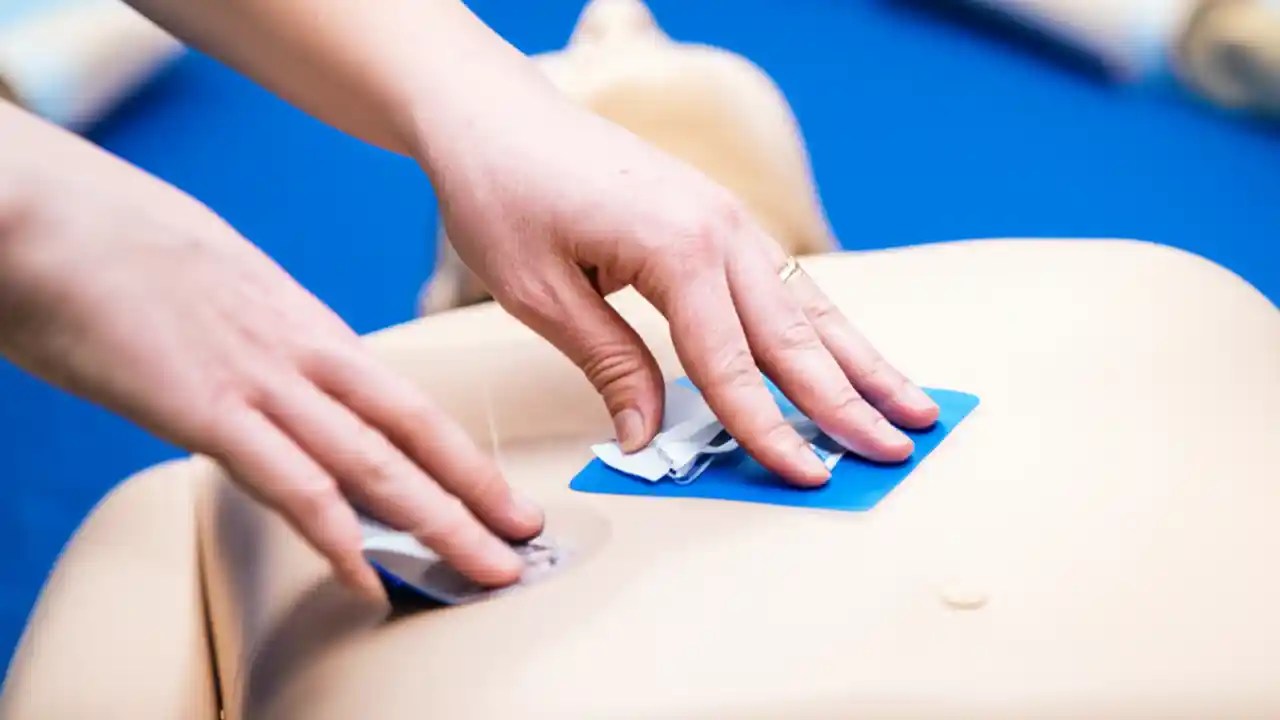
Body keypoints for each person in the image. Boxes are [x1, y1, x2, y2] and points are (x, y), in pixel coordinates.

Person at [0, 0, 939, 601]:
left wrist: (476, 94)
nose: (616, 16)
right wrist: (31, 214)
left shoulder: (181, 523)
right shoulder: (198, 521)